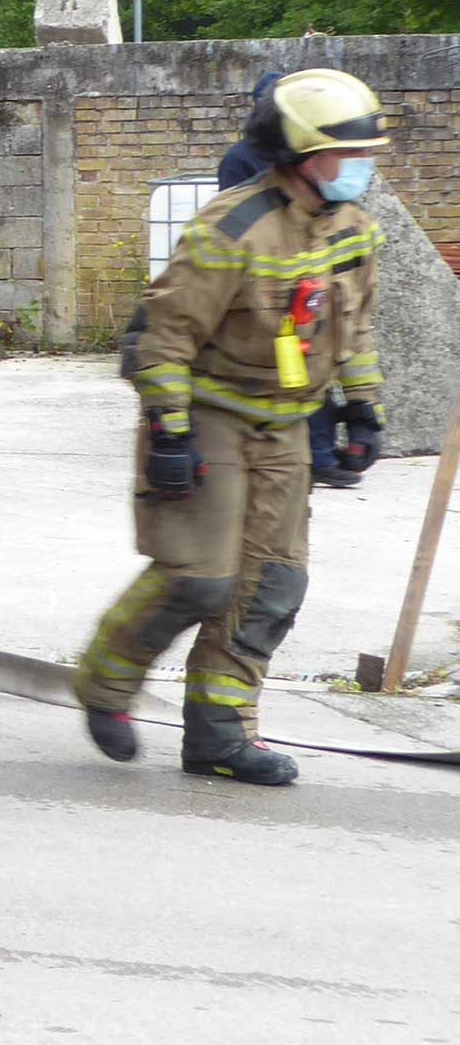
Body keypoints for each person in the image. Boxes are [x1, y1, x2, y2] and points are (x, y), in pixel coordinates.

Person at [75, 68, 388, 784]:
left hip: (286, 427)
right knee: (201, 581)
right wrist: (172, 435)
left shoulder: (355, 231)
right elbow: (162, 340)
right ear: (309, 157)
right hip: (209, 413)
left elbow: (358, 328)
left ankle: (219, 735)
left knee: (273, 584)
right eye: (354, 154)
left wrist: (365, 408)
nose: (365, 168)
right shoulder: (231, 229)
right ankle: (106, 684)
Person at [217, 73, 355, 489]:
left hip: (313, 283)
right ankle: (294, 459)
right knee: (285, 372)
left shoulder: (319, 157)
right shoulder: (240, 160)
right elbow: (241, 226)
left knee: (316, 372)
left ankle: (321, 457)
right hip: (273, 293)